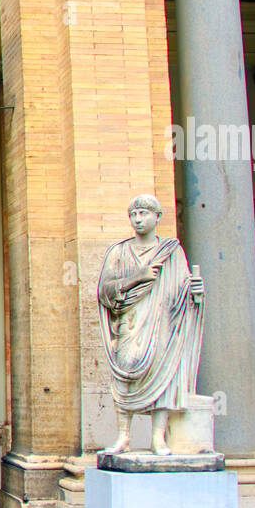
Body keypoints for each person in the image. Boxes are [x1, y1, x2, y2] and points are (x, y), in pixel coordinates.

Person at [97, 194, 204, 456]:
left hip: (162, 322)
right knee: (124, 373)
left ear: (157, 217)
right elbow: (104, 291)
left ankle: (158, 438)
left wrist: (197, 293)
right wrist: (137, 277)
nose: (138, 219)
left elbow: (182, 290)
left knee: (163, 373)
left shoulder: (171, 251)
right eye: (133, 214)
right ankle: (123, 435)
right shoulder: (119, 252)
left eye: (143, 213)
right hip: (130, 322)